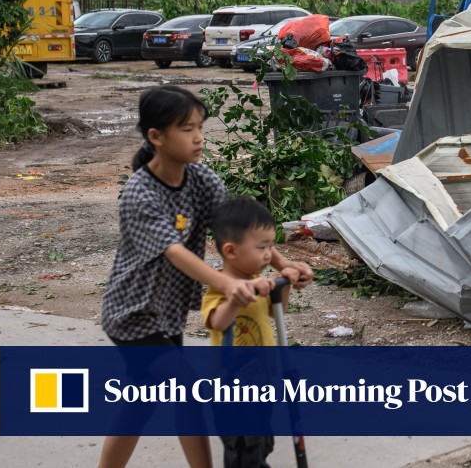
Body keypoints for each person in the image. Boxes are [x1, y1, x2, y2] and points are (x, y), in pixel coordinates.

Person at [98, 85, 313, 468]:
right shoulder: (140, 192)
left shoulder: (202, 179)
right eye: (186, 128)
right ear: (156, 137)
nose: (198, 137)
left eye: (200, 126)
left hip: (167, 315)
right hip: (133, 314)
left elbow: (240, 230)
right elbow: (175, 251)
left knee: (141, 404)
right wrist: (229, 284)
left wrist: (283, 267)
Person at [202, 196, 298, 467]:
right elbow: (217, 322)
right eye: (261, 247)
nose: (269, 255)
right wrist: (235, 299)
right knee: (243, 448)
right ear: (231, 251)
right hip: (232, 390)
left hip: (261, 382)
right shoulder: (221, 287)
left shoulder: (258, 280)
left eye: (271, 246)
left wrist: (284, 284)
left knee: (261, 443)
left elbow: (274, 311)